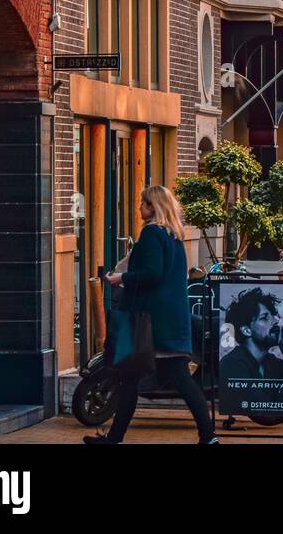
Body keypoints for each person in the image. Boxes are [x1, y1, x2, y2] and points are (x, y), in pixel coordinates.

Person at [86, 186, 217, 444]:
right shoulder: (174, 237)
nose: (139, 208)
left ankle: (208, 436)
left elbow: (152, 274)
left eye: (143, 203)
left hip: (150, 323)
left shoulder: (151, 234)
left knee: (150, 379)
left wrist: (121, 277)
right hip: (169, 320)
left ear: (153, 207)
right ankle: (115, 438)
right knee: (133, 379)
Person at [219, 287, 283, 415]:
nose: (275, 321)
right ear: (246, 330)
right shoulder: (232, 365)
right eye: (264, 318)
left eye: (272, 316)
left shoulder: (271, 362)